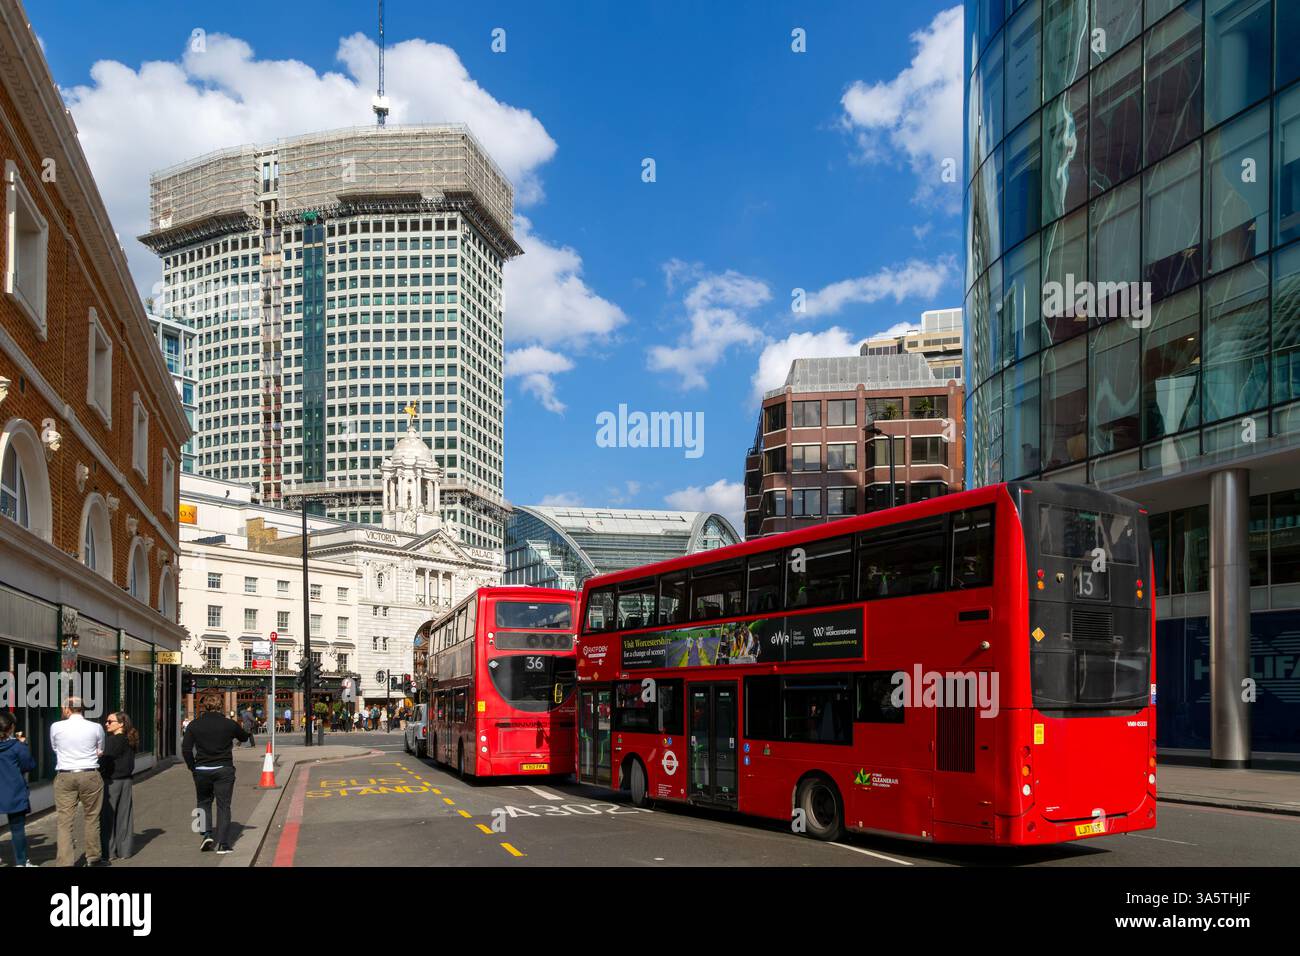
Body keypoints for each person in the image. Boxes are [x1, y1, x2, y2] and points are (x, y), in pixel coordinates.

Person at [182, 694, 249, 854]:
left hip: (202, 769)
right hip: (223, 768)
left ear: (205, 706)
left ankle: (206, 834)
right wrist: (245, 729)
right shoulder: (229, 724)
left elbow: (186, 749)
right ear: (220, 706)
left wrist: (193, 767)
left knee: (203, 802)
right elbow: (244, 738)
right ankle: (224, 844)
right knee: (223, 805)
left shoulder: (194, 725)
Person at [49, 696, 107, 867]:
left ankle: (65, 862)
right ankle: (93, 857)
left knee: (64, 821)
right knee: (92, 817)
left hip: (65, 774)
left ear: (67, 709)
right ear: (82, 709)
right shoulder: (96, 727)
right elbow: (100, 750)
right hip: (89, 773)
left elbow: (55, 748)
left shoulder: (56, 727)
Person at [0, 712, 37, 867]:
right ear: (11, 728)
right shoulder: (17, 747)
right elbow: (29, 765)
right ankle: (21, 863)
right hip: (13, 792)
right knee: (17, 829)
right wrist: (23, 744)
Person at [99, 711, 137, 861]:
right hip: (126, 780)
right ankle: (125, 850)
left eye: (110, 721)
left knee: (108, 817)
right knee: (125, 816)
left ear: (121, 723)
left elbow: (104, 762)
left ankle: (109, 851)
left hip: (111, 781)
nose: (106, 724)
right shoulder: (131, 739)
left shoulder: (111, 741)